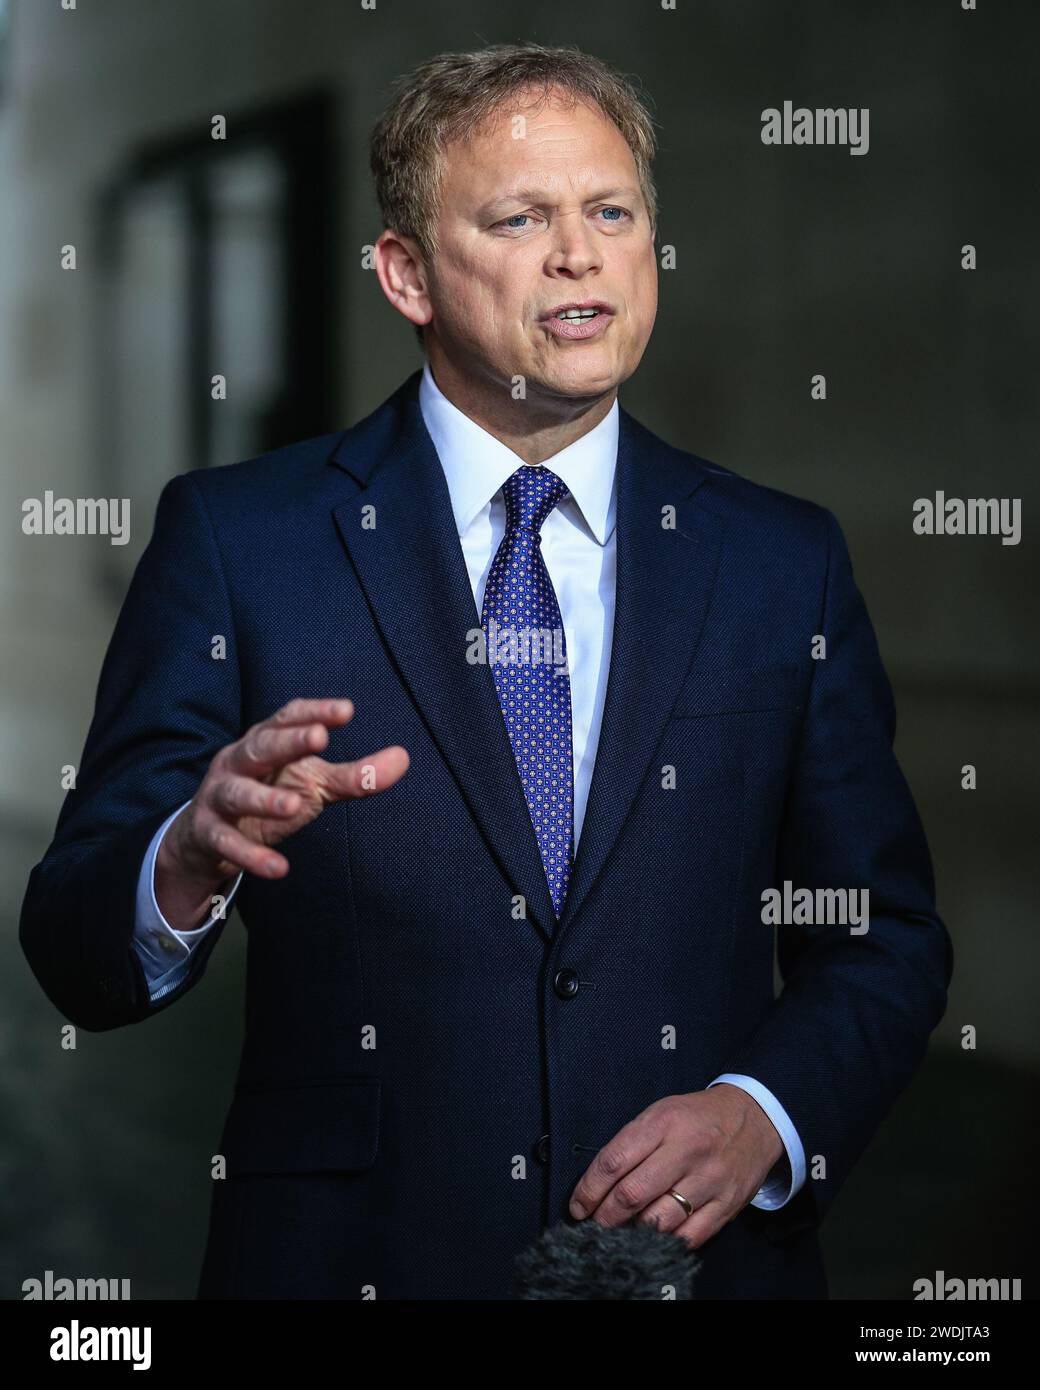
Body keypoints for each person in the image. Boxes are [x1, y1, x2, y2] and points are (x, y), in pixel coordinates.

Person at [19, 42, 952, 1300]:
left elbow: (879, 934)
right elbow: (73, 941)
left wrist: (763, 1112)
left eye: (611, 213)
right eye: (521, 218)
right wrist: (181, 857)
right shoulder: (244, 542)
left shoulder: (779, 560)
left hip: (697, 1272)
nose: (580, 255)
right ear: (405, 272)